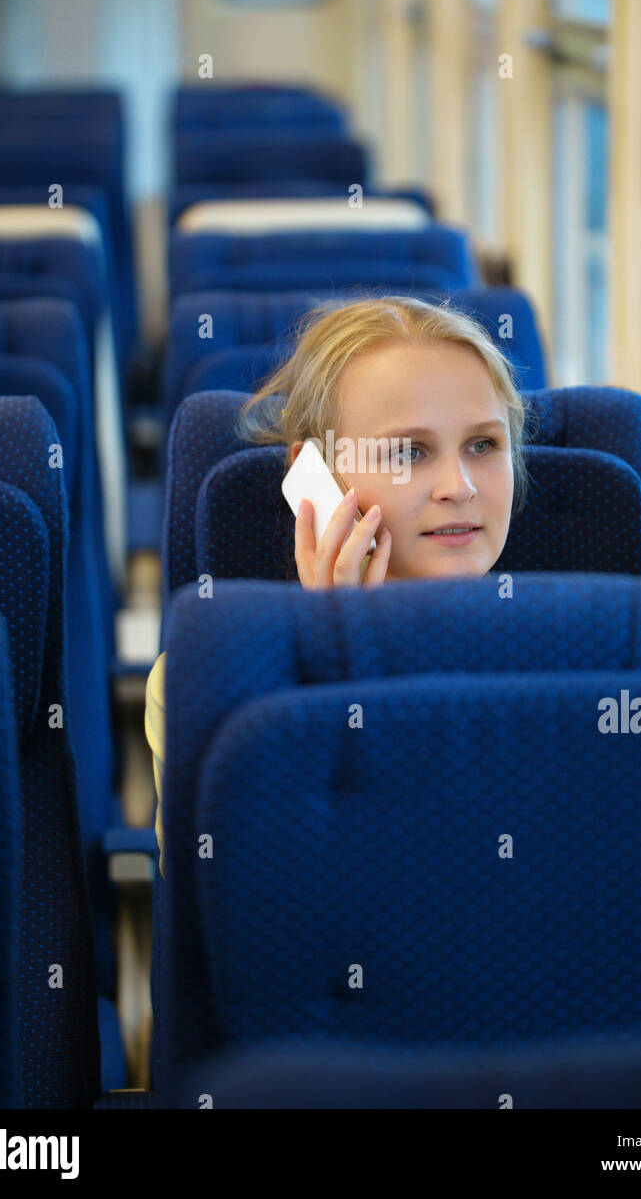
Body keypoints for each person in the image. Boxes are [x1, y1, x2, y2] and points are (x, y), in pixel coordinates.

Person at [145, 295, 527, 874]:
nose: (459, 485)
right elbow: (253, 913)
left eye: (483, 445)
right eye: (409, 451)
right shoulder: (205, 681)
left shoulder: (584, 663)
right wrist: (339, 677)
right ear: (314, 477)